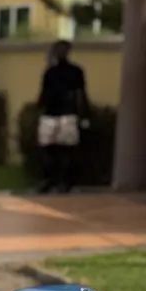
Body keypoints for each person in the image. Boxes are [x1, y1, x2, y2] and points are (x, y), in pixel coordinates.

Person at [35, 39, 90, 193]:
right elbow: (43, 94)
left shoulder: (75, 71)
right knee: (48, 149)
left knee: (67, 150)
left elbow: (80, 94)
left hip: (68, 115)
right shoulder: (50, 72)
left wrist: (83, 115)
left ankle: (65, 182)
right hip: (49, 115)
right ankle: (50, 180)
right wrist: (39, 110)